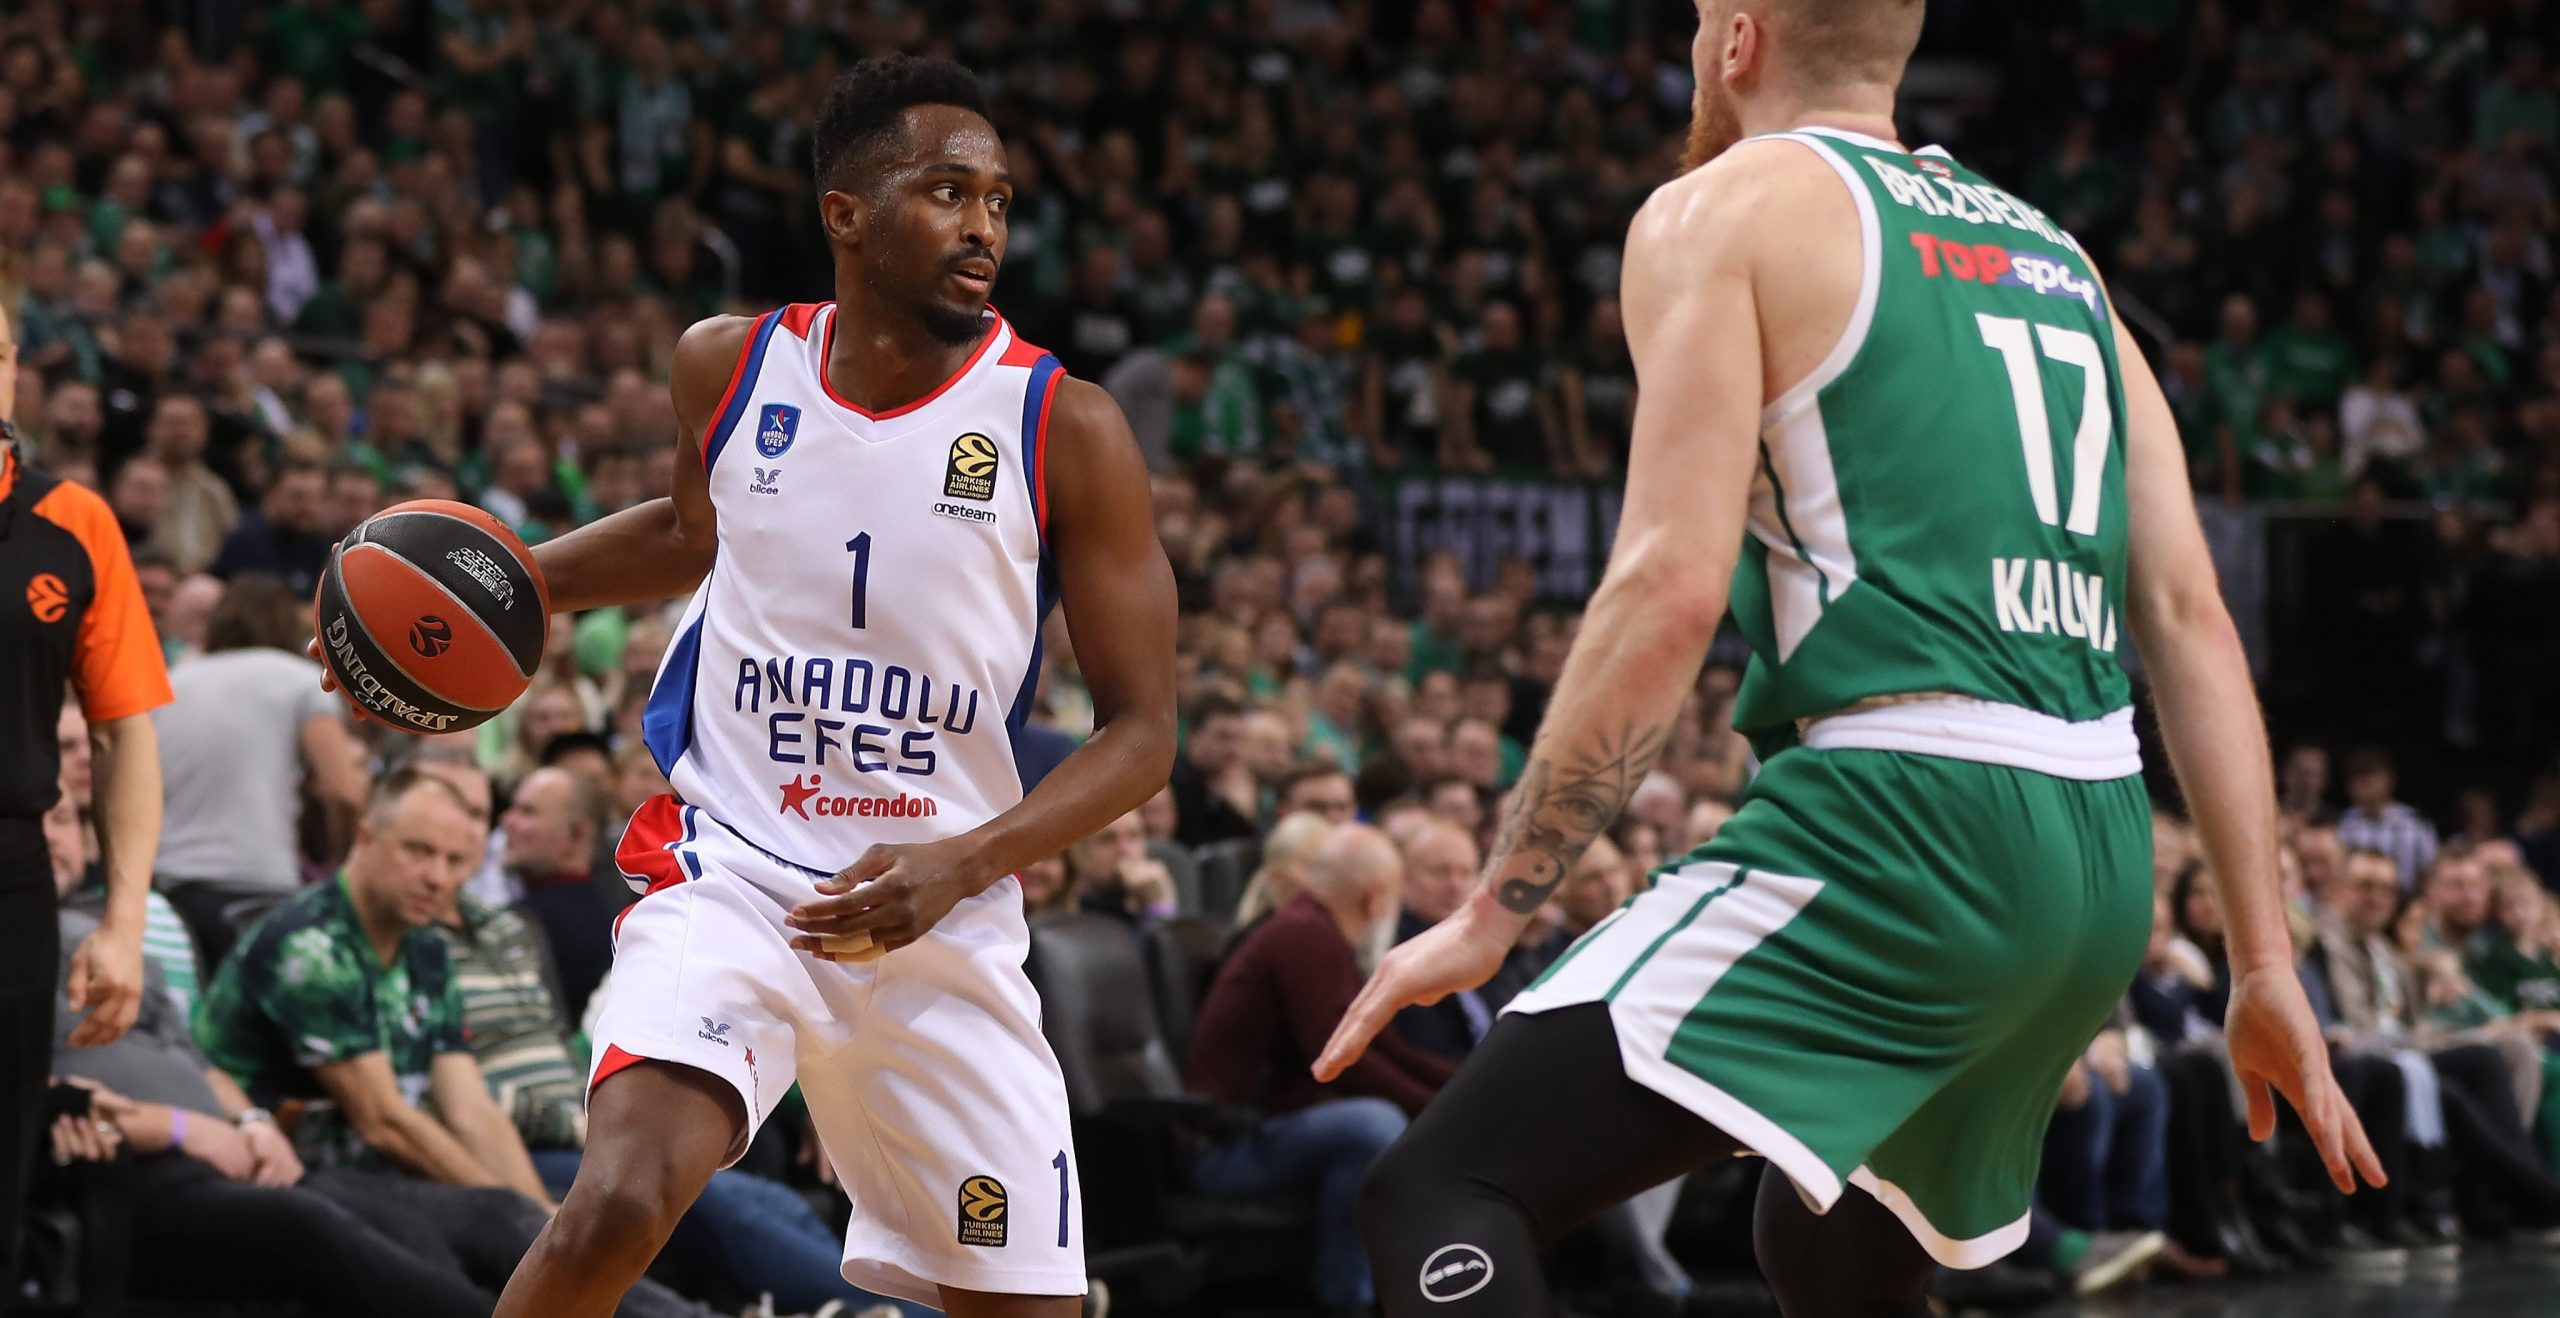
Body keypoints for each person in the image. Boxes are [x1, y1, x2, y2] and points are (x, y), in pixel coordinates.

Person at [1317, 6, 2381, 1317]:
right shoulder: (2058, 257)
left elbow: (1667, 587)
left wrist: (1497, 909)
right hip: (2099, 857)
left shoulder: (1724, 208)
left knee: (1437, 1190)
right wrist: (2266, 963)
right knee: (1822, 1252)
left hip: (1904, 822)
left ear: (1739, 39)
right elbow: (2187, 611)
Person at [467, 57, 1178, 1318]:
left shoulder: (1065, 425)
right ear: (845, 213)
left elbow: (1143, 734)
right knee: (622, 1198)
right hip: (733, 867)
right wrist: (495, 590)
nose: (982, 228)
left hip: (936, 912)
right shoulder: (727, 366)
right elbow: (695, 533)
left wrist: (965, 862)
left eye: (1000, 201)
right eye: (948, 191)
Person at [1, 298, 167, 1293]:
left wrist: (122, 912)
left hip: (13, 875)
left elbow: (122, 730)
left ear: (14, 366)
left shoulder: (74, 522)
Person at [1184, 825, 1448, 1317]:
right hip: (1225, 1148)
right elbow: (1343, 1061)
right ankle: (1346, 1301)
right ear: (1374, 898)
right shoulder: (1305, 935)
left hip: (1266, 1132)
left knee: (1389, 1121)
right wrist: (1441, 1115)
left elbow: (1388, 1048)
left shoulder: (1313, 930)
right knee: (1374, 1124)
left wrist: (1468, 1086)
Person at [155, 574, 370, 969]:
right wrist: (345, 874)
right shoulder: (302, 683)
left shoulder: (169, 683)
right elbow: (344, 790)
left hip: (167, 895)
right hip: (257, 890)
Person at [498, 764, 616, 1021]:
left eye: (527, 812)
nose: (507, 821)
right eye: (512, 808)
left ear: (577, 834)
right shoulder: (616, 921)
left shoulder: (517, 926)